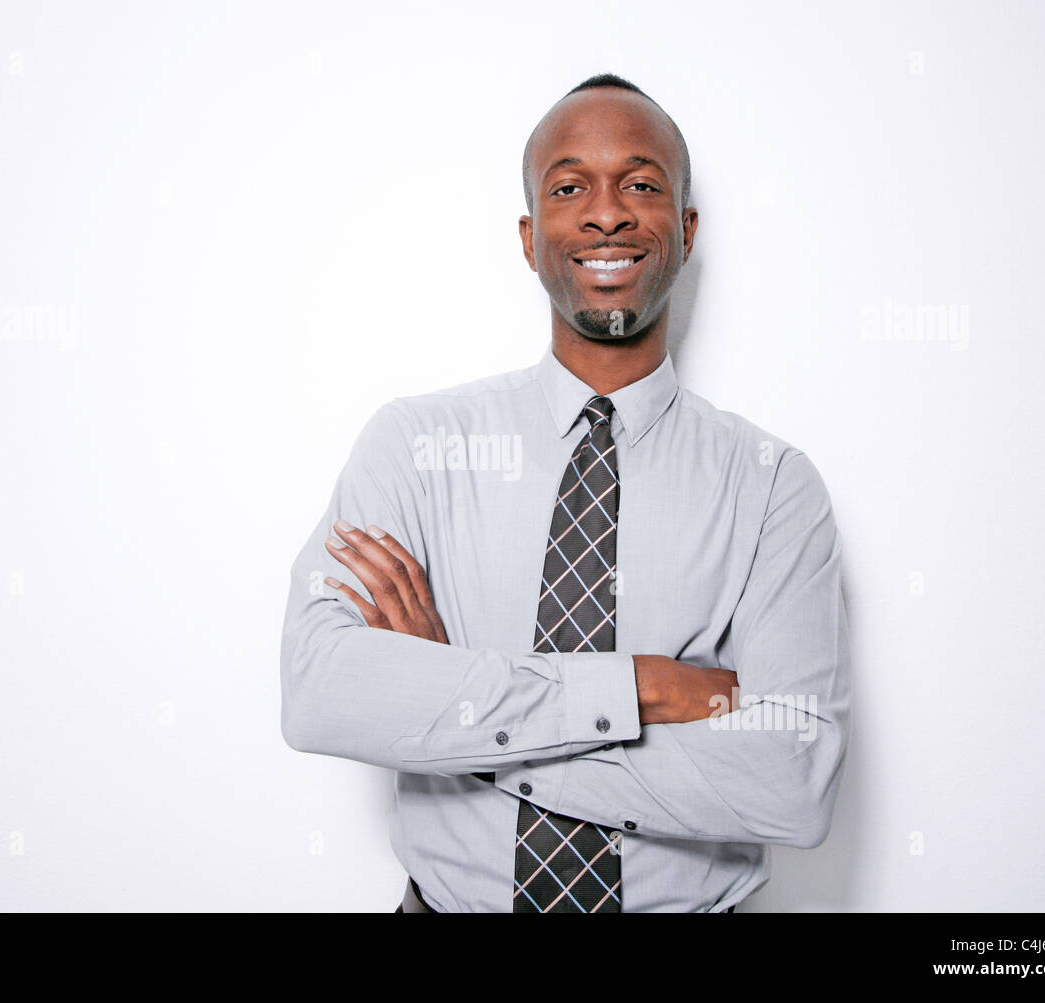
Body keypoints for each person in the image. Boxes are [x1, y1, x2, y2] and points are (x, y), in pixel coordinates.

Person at [280, 73, 851, 913]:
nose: (607, 212)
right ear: (529, 233)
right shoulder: (413, 445)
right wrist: (638, 690)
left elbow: (793, 780)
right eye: (570, 186)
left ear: (686, 231)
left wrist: (459, 714)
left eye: (643, 185)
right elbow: (319, 690)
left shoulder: (772, 487)